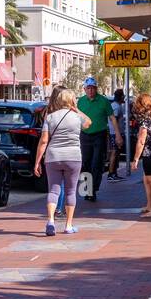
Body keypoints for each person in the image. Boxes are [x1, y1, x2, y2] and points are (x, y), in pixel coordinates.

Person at [34, 86, 92, 236]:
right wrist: (76, 110)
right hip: (73, 157)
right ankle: (68, 225)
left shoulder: (50, 117)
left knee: (53, 190)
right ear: (72, 101)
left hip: (53, 157)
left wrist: (37, 162)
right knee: (71, 191)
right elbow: (88, 123)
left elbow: (44, 141)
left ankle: (51, 221)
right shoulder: (76, 117)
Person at [77, 77, 120, 203]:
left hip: (99, 135)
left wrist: (117, 134)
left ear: (96, 89)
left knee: (97, 163)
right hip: (84, 135)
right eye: (88, 88)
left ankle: (93, 190)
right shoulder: (80, 101)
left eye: (93, 88)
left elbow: (112, 118)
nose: (90, 90)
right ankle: (86, 189)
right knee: (85, 163)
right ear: (84, 89)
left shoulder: (103, 101)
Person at [128, 92, 151, 217]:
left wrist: (135, 159)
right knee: (147, 179)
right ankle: (150, 205)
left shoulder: (146, 120)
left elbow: (141, 140)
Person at [107, 89, 127, 180]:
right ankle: (111, 174)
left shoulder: (117, 106)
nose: (124, 97)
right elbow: (113, 119)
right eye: (123, 95)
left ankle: (114, 172)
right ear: (120, 96)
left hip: (117, 133)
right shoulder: (116, 106)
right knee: (114, 153)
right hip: (115, 134)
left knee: (117, 153)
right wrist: (118, 135)